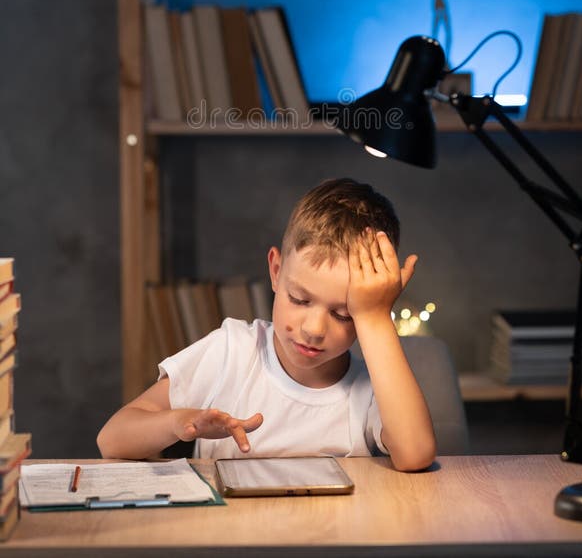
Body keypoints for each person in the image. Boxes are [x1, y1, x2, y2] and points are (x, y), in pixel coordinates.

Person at [97, 178, 436, 472]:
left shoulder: (374, 388)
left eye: (344, 314)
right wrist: (179, 422)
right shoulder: (231, 351)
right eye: (300, 300)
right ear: (276, 271)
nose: (314, 328)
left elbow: (415, 454)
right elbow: (112, 440)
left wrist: (375, 317)